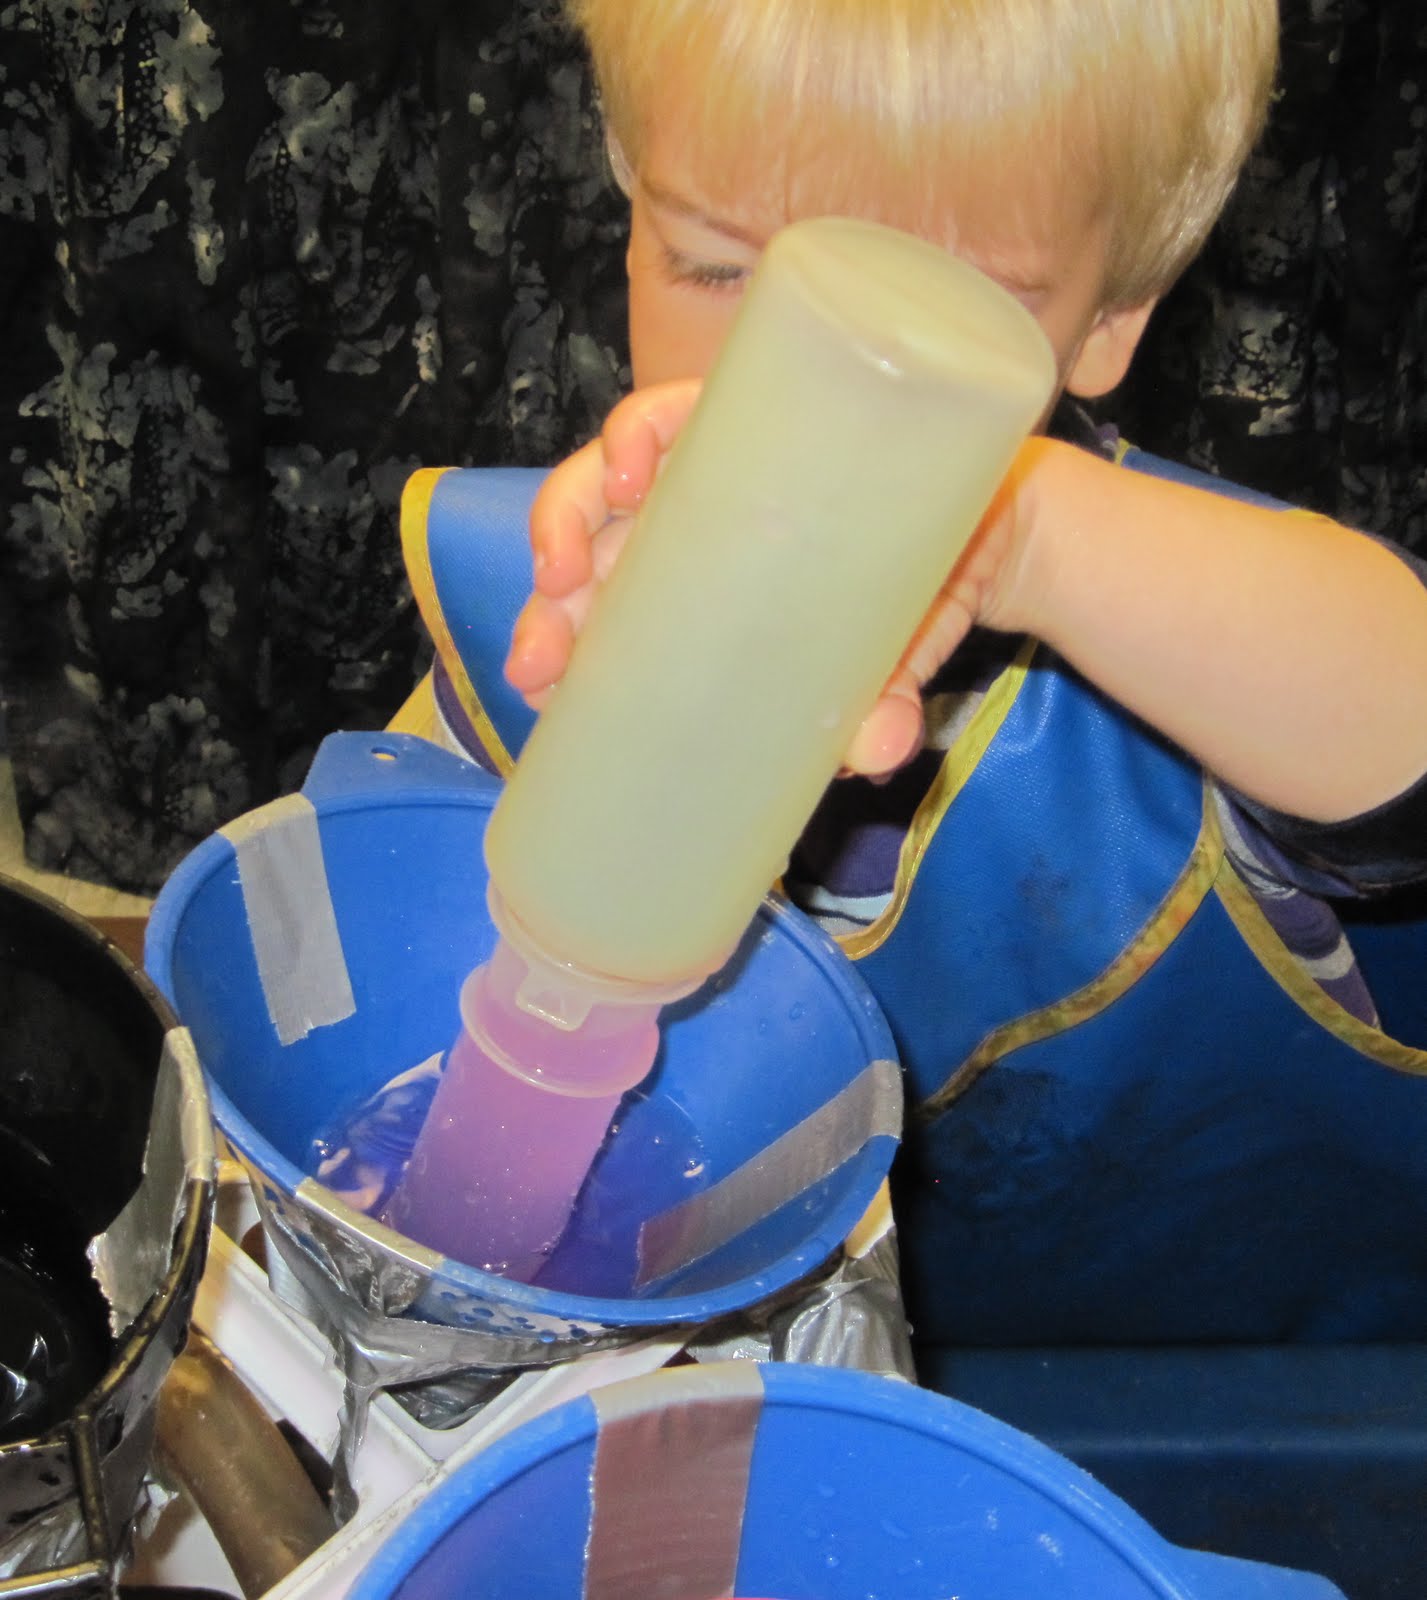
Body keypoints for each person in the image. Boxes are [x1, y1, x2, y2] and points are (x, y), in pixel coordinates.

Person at [393, 0, 1427, 1364]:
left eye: (937, 316)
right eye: (716, 271)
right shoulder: (558, 576)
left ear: (1110, 317)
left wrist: (1016, 534)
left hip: (1183, 1410)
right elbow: (391, 916)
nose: (793, 380)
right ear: (629, 204)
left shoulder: (1192, 620)